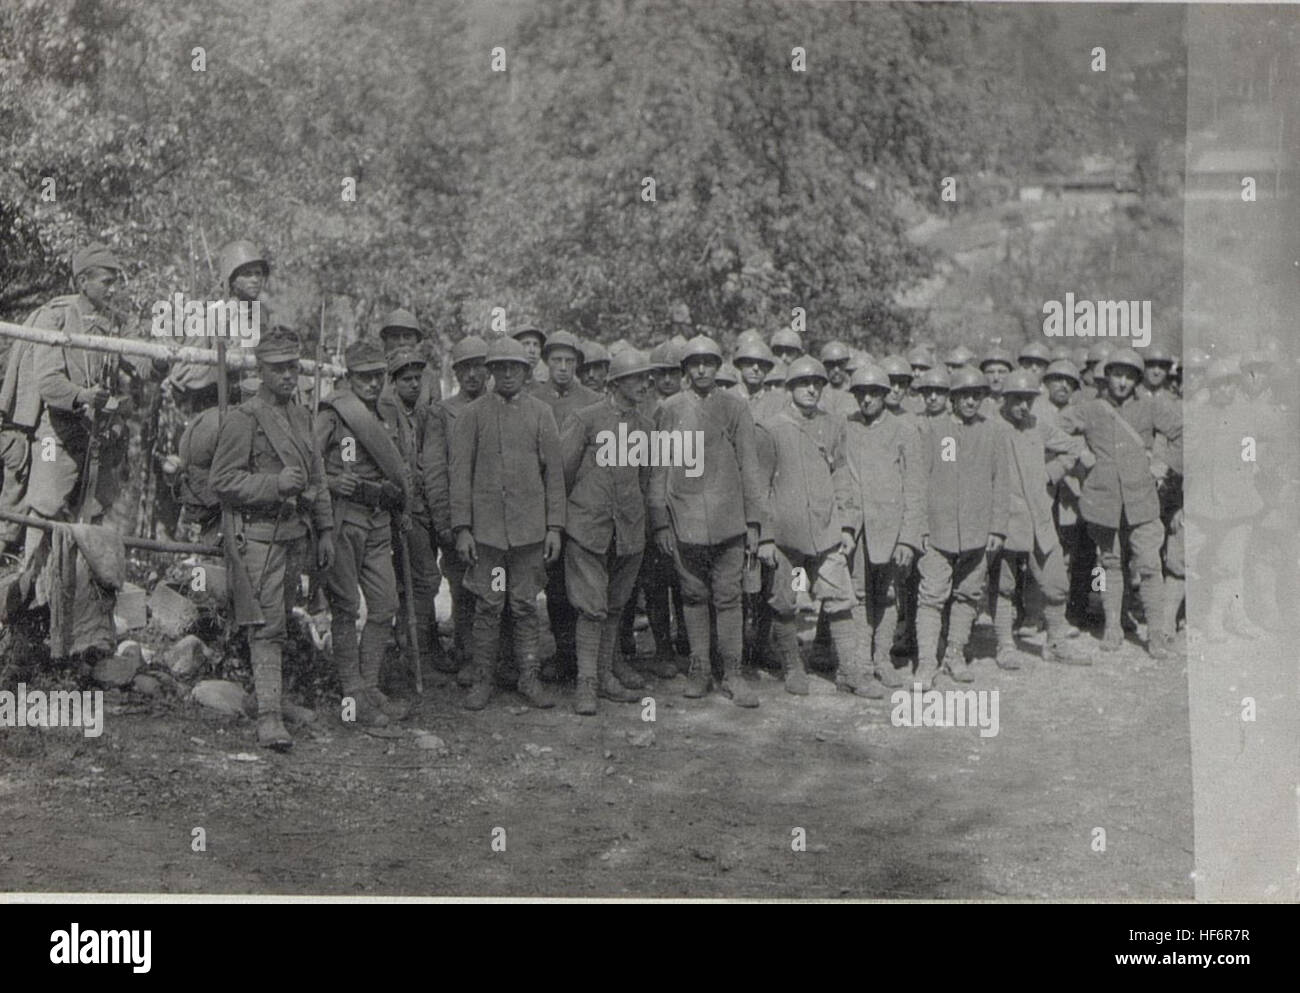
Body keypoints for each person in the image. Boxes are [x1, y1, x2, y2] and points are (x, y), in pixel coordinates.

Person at [211, 328, 336, 750]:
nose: (287, 376)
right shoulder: (244, 419)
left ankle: (273, 699)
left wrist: (326, 530)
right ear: (261, 371)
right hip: (260, 537)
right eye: (278, 368)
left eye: (293, 368)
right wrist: (274, 483)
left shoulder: (302, 417)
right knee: (265, 626)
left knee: (282, 621)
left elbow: (317, 477)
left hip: (295, 533)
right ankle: (268, 717)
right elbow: (223, 481)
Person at [450, 337, 565, 710]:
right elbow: (460, 474)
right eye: (500, 367)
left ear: (527, 372)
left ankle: (528, 677)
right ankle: (483, 678)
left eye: (515, 367)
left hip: (529, 536)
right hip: (488, 538)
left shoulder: (541, 414)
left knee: (525, 605)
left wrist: (554, 528)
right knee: (488, 605)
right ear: (491, 372)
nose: (508, 374)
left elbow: (554, 477)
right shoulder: (474, 415)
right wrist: (463, 528)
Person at [649, 335, 763, 706]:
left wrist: (754, 525)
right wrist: (661, 523)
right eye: (694, 363)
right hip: (685, 521)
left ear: (718, 367)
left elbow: (750, 468)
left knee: (729, 598)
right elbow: (658, 469)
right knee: (693, 595)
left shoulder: (735, 408)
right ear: (685, 369)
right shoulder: (669, 409)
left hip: (729, 521)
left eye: (708, 362)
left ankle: (732, 672)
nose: (701, 369)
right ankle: (699, 667)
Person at [1058, 348, 1182, 659]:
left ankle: (1155, 635)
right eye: (1117, 374)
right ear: (1107, 375)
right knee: (1110, 564)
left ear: (1137, 379)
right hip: (1104, 501)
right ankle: (1112, 626)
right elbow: (1055, 428)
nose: (1123, 382)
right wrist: (1078, 452)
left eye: (1129, 376)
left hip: (1142, 501)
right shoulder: (1090, 409)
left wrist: (1164, 462)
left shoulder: (1151, 407)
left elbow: (1183, 433)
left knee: (1150, 566)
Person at [316, 339, 413, 726]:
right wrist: (329, 481)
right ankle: (352, 694)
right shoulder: (334, 412)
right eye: (365, 377)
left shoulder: (390, 414)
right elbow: (306, 461)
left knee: (385, 604)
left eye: (378, 377)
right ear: (349, 377)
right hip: (344, 519)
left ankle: (370, 685)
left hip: (379, 521)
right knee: (345, 609)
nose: (373, 384)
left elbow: (403, 463)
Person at [754, 357, 859, 697]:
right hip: (785, 532)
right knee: (784, 601)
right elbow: (760, 486)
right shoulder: (771, 428)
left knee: (840, 598)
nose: (812, 389)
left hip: (826, 528)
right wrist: (765, 536)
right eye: (804, 383)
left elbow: (842, 474)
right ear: (790, 388)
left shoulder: (833, 425)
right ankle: (792, 667)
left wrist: (846, 525)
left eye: (818, 383)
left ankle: (850, 672)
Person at [561, 348, 658, 713]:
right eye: (636, 379)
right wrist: (562, 522)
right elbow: (562, 473)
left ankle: (605, 677)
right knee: (591, 608)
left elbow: (645, 481)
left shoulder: (646, 428)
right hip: (587, 527)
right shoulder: (585, 420)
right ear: (615, 383)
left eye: (646, 379)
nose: (644, 385)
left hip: (629, 530)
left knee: (615, 607)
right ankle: (586, 684)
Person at [914, 368, 1008, 687]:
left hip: (977, 531)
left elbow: (1001, 482)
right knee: (931, 595)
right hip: (939, 531)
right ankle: (926, 662)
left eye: (977, 395)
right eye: (964, 395)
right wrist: (921, 527)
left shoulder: (993, 432)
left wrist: (997, 528)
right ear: (952, 397)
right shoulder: (933, 430)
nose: (970, 401)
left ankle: (954, 653)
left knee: (968, 595)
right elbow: (920, 481)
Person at [991, 371, 1087, 667]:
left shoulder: (1037, 427)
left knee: (1056, 581)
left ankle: (1056, 642)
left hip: (1038, 518)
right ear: (1004, 399)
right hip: (1003, 518)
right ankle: (1005, 645)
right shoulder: (992, 427)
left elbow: (1074, 447)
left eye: (1028, 400)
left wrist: (1052, 472)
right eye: (1016, 399)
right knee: (1003, 584)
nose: (1023, 406)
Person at [841, 364, 925, 690]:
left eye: (873, 393)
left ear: (886, 394)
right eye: (860, 393)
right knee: (859, 594)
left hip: (892, 528)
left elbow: (916, 489)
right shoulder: (846, 427)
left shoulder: (904, 431)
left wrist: (908, 539)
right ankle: (861, 659)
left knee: (889, 596)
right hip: (856, 528)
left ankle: (882, 658)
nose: (866, 399)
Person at [530, 329, 601, 680]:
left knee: (586, 585)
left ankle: (592, 663)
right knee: (555, 585)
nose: (562, 368)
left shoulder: (592, 400)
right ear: (546, 363)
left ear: (577, 364)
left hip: (584, 504)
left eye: (569, 361)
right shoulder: (533, 398)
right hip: (543, 504)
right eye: (556, 360)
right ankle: (564, 655)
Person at [381, 346, 451, 682]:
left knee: (421, 581)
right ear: (393, 383)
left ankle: (415, 651)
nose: (413, 385)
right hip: (401, 510)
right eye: (406, 379)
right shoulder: (385, 414)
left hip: (426, 506)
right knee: (423, 580)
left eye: (417, 379)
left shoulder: (425, 415)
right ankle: (415, 655)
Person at [436, 336, 489, 673]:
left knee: (498, 589)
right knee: (462, 589)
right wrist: (449, 523)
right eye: (464, 367)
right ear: (455, 372)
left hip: (496, 518)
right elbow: (437, 471)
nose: (472, 374)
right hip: (460, 515)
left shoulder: (502, 405)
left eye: (478, 366)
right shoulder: (443, 413)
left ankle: (499, 657)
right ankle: (466, 654)